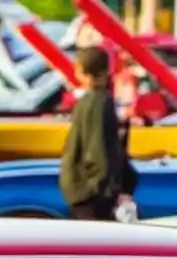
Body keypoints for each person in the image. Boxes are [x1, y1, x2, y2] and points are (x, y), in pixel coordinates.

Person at [59, 46, 137, 221]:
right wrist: (104, 188)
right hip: (90, 195)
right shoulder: (99, 102)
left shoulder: (90, 101)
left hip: (83, 191)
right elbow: (100, 151)